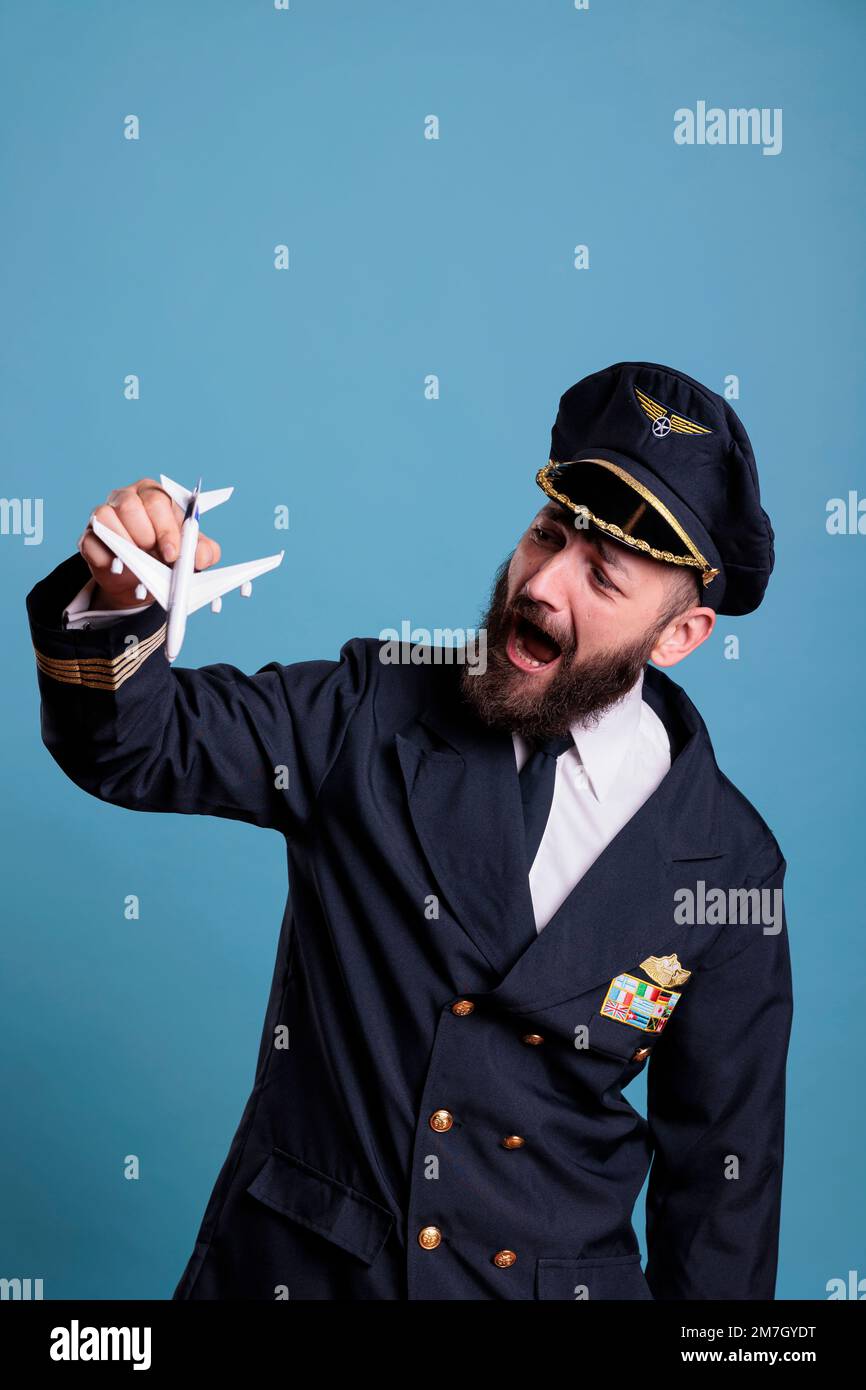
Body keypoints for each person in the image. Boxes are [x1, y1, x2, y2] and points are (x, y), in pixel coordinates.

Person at [25, 360, 793, 1301]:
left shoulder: (732, 861)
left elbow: (724, 1183)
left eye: (603, 576)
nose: (543, 586)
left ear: (679, 636)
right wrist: (118, 597)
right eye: (546, 535)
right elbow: (134, 748)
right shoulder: (372, 707)